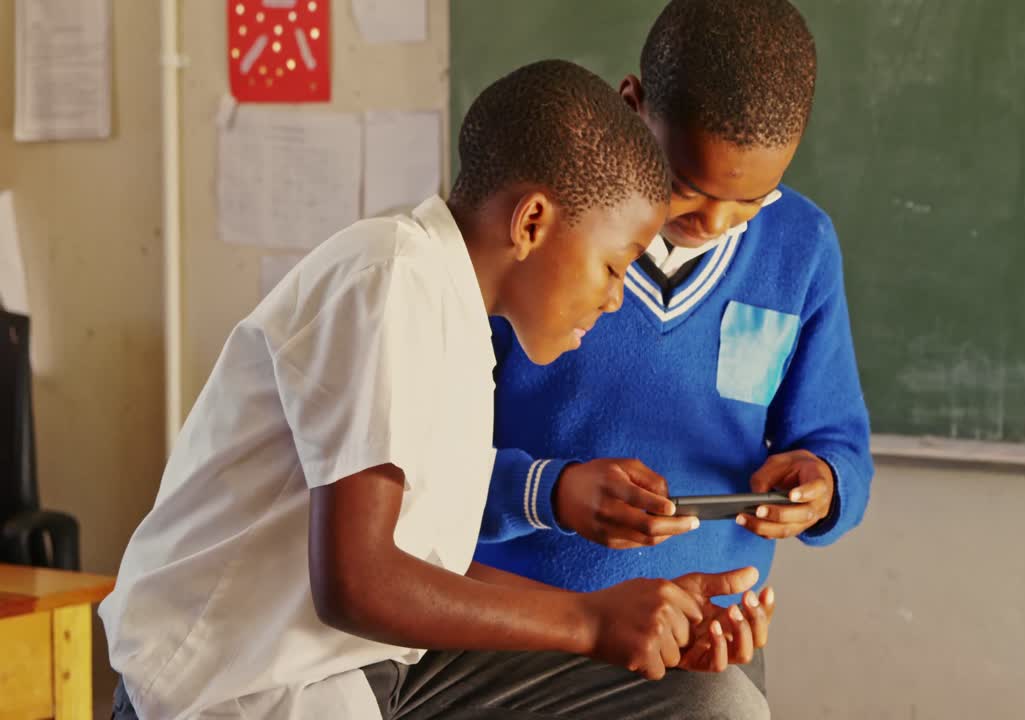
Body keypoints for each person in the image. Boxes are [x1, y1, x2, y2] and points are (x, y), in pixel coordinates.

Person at [102, 60, 768, 720]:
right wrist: (590, 621)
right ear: (532, 222)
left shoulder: (457, 317)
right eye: (613, 266)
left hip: (368, 669)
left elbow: (428, 565)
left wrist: (635, 622)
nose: (616, 298)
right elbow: (357, 583)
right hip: (234, 687)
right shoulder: (390, 279)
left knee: (709, 704)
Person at [478, 0, 875, 696]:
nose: (714, 224)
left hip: (704, 634)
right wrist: (548, 489)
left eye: (750, 202)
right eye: (687, 190)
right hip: (518, 629)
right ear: (633, 106)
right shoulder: (545, 244)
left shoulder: (801, 248)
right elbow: (425, 474)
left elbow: (837, 441)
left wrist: (822, 483)